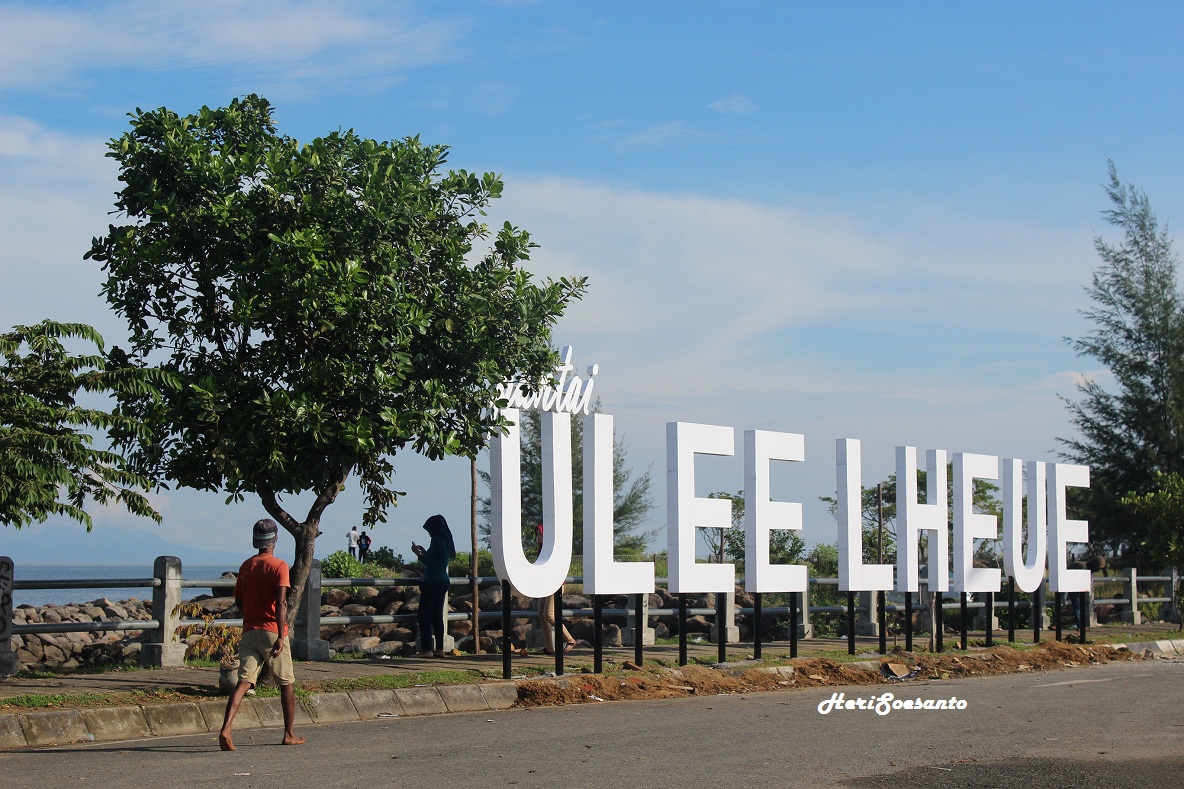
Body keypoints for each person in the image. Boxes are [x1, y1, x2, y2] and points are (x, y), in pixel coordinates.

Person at [219, 518, 305, 751]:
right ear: (275, 539)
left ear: (255, 540)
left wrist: (250, 615)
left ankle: (226, 729)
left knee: (244, 681)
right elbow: (281, 602)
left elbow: (239, 599)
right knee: (286, 682)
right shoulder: (279, 566)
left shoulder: (246, 566)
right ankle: (289, 734)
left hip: (250, 630)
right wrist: (280, 635)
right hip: (272, 631)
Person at [411, 514, 455, 658]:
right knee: (437, 616)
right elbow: (437, 560)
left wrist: (417, 554)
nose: (429, 533)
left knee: (424, 616)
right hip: (443, 581)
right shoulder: (445, 541)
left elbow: (431, 564)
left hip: (432, 583)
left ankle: (427, 649)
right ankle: (439, 648)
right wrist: (425, 553)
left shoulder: (436, 541)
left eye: (429, 530)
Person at [534, 523, 577, 654]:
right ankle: (549, 648)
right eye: (537, 534)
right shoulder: (541, 549)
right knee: (541, 615)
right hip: (545, 584)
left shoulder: (552, 549)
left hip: (555, 584)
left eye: (541, 534)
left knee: (548, 614)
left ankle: (570, 640)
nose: (538, 537)